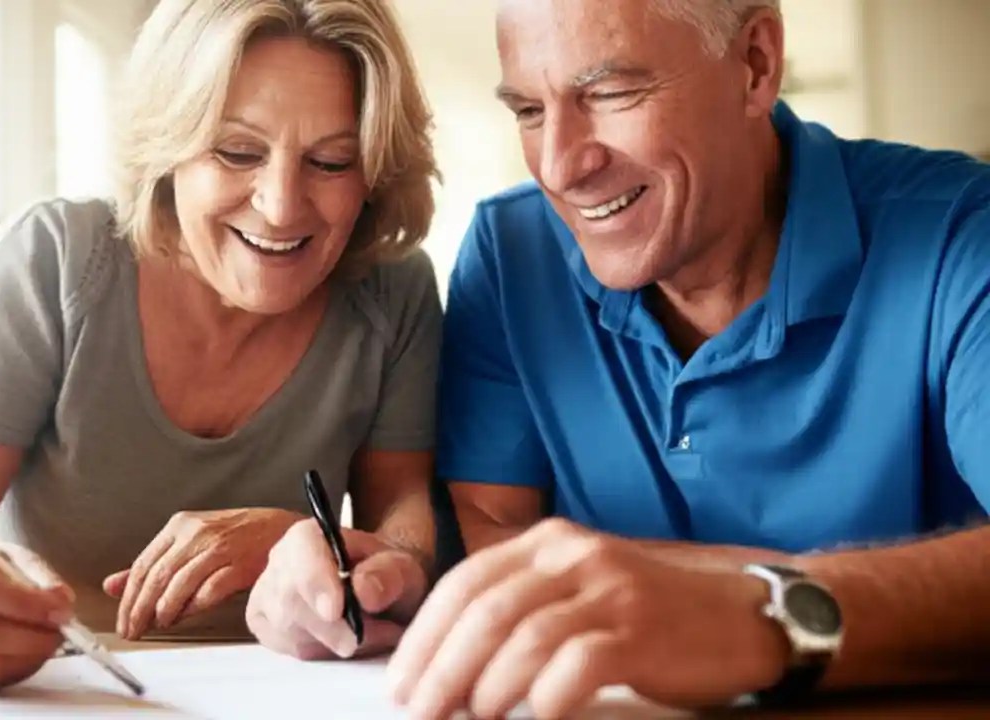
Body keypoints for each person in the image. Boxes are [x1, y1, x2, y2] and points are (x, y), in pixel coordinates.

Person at [383, 0, 990, 718]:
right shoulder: (509, 255)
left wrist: (758, 614)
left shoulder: (961, 237)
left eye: (610, 95)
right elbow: (494, 527)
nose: (560, 166)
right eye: (528, 110)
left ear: (755, 64)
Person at [0, 0, 443, 692]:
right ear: (168, 147)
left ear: (375, 173)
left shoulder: (393, 292)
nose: (281, 205)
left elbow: (403, 532)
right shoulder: (56, 264)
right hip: (53, 694)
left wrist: (310, 550)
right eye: (236, 151)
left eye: (332, 162)